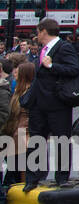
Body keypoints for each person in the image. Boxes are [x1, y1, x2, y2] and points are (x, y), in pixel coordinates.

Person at [25, 18, 79, 190]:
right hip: (39, 103)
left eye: (38, 32)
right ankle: (33, 177)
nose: (37, 36)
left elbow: (74, 69)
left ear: (43, 31)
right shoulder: (43, 50)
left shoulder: (64, 47)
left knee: (62, 141)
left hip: (58, 104)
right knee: (36, 140)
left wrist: (52, 66)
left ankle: (62, 177)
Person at [3, 61, 35, 189]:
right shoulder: (18, 91)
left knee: (19, 170)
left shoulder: (28, 93)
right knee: (14, 170)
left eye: (18, 71)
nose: (14, 73)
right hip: (15, 134)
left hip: (22, 135)